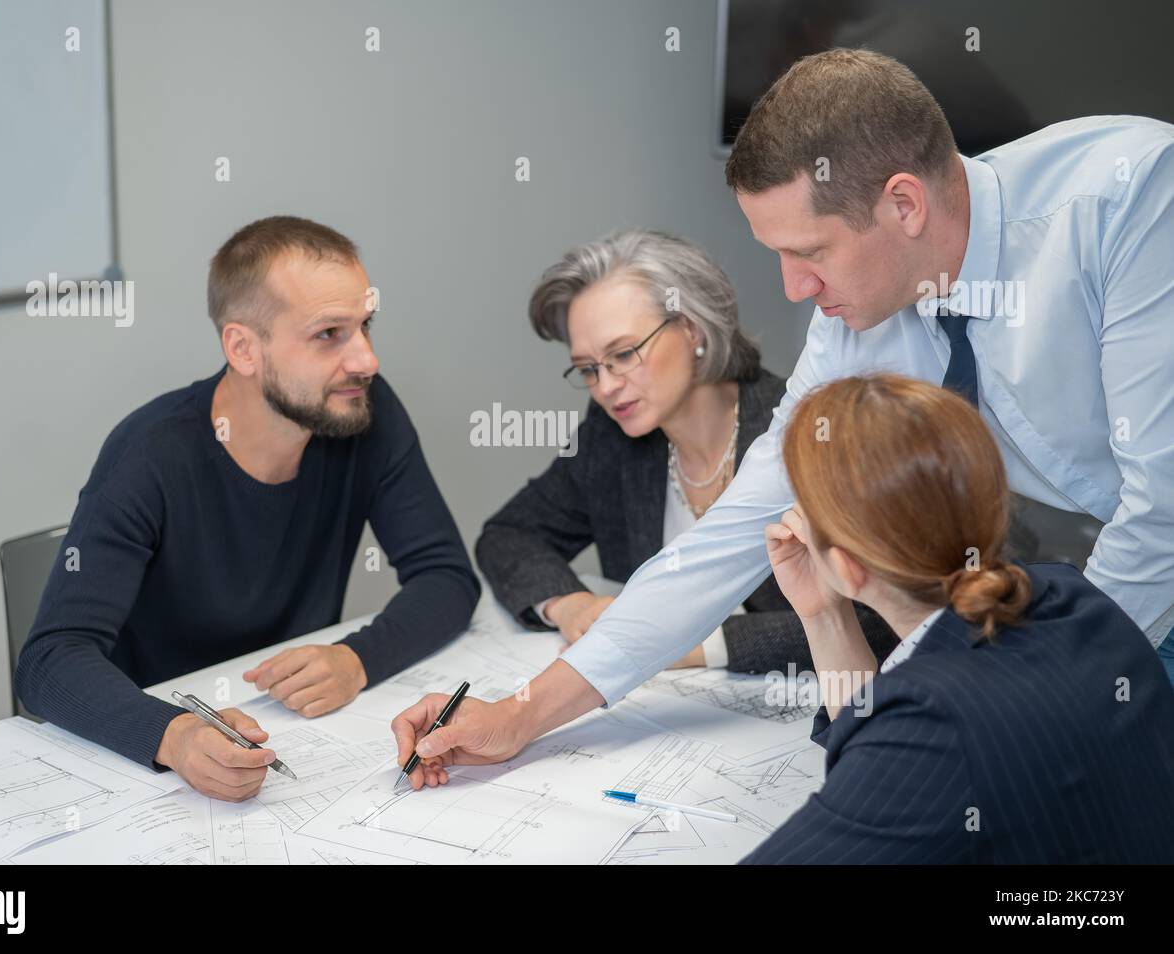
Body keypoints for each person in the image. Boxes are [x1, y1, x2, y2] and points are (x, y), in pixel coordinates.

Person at [390, 48, 1174, 791]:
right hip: (1109, 596)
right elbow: (739, 524)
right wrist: (525, 714)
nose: (794, 289)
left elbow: (1163, 511)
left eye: (810, 252)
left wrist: (1042, 690)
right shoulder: (858, 307)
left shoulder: (1130, 195)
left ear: (902, 203)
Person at [16, 215, 479, 800]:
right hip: (150, 765)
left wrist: (357, 659)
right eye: (329, 334)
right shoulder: (150, 455)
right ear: (243, 347)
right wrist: (174, 735)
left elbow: (446, 577)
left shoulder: (364, 412)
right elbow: (49, 661)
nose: (366, 360)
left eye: (365, 326)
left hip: (300, 738)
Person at [741, 374, 1174, 862]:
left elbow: (894, 765)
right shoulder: (1067, 593)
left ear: (847, 565)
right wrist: (823, 613)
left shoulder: (936, 725)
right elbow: (870, 756)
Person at [476, 228, 896, 672]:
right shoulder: (612, 437)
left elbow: (882, 617)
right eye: (587, 368)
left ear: (692, 327)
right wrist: (570, 604)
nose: (605, 386)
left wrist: (694, 646)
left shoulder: (804, 428)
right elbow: (508, 534)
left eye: (623, 354)